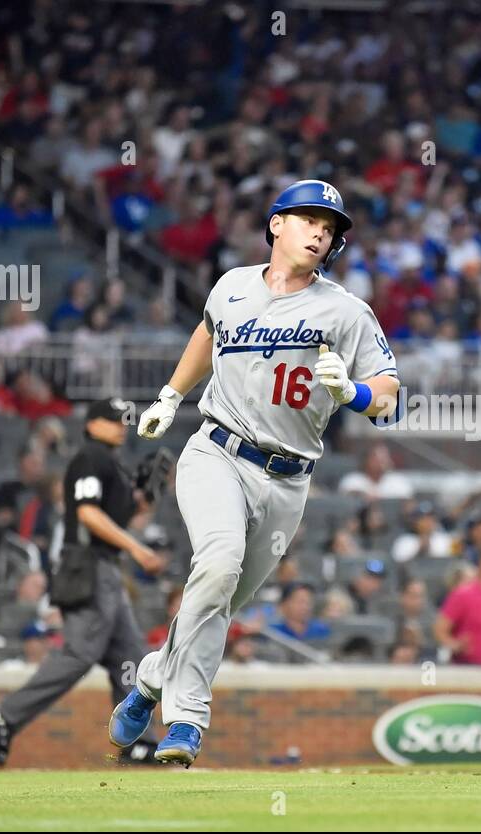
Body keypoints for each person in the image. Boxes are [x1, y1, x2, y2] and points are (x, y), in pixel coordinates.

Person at [117, 180, 401, 766]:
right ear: (276, 224)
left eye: (330, 226)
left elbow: (390, 397)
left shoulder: (346, 310)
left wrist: (352, 392)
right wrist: (171, 396)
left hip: (288, 480)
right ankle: (187, 721)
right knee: (216, 565)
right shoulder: (231, 286)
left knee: (218, 603)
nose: (321, 231)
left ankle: (149, 679)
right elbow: (207, 331)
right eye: (308, 219)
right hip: (216, 451)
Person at [0, 399, 165, 766]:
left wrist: (144, 496)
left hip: (107, 568)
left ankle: (136, 740)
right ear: (92, 424)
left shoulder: (112, 464)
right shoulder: (90, 458)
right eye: (112, 419)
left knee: (129, 656)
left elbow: (121, 515)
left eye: (124, 419)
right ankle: (4, 715)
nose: (121, 424)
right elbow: (87, 513)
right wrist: (138, 550)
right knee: (80, 654)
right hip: (87, 566)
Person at [338, 443, 414, 500]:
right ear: (366, 460)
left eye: (384, 458)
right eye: (376, 457)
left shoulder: (399, 481)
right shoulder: (353, 479)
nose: (381, 462)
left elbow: (408, 502)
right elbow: (347, 496)